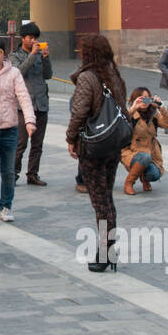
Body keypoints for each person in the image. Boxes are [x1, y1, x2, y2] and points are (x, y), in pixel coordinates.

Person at [65, 34, 128, 272]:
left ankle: (105, 251)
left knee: (100, 201)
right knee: (107, 198)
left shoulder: (87, 77)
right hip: (112, 145)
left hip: (93, 146)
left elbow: (79, 112)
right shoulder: (113, 75)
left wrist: (71, 138)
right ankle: (109, 248)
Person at [0, 38, 36, 224]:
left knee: (8, 171)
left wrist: (29, 121)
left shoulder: (14, 73)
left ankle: (6, 206)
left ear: (4, 54)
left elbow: (24, 98)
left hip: (10, 129)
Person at [10, 23, 52, 186]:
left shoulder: (40, 54)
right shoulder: (15, 55)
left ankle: (33, 174)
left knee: (37, 144)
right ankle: (13, 174)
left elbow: (48, 75)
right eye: (30, 38)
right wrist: (32, 55)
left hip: (41, 103)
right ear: (23, 38)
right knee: (20, 143)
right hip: (22, 106)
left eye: (36, 38)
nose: (33, 40)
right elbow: (18, 73)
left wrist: (46, 58)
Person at [120, 88, 168, 195]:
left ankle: (145, 178)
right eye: (140, 99)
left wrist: (161, 106)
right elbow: (118, 125)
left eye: (147, 99)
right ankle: (129, 183)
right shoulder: (130, 114)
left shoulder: (153, 114)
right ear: (134, 100)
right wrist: (133, 108)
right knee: (145, 157)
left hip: (151, 154)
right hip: (132, 152)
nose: (144, 102)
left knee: (154, 174)